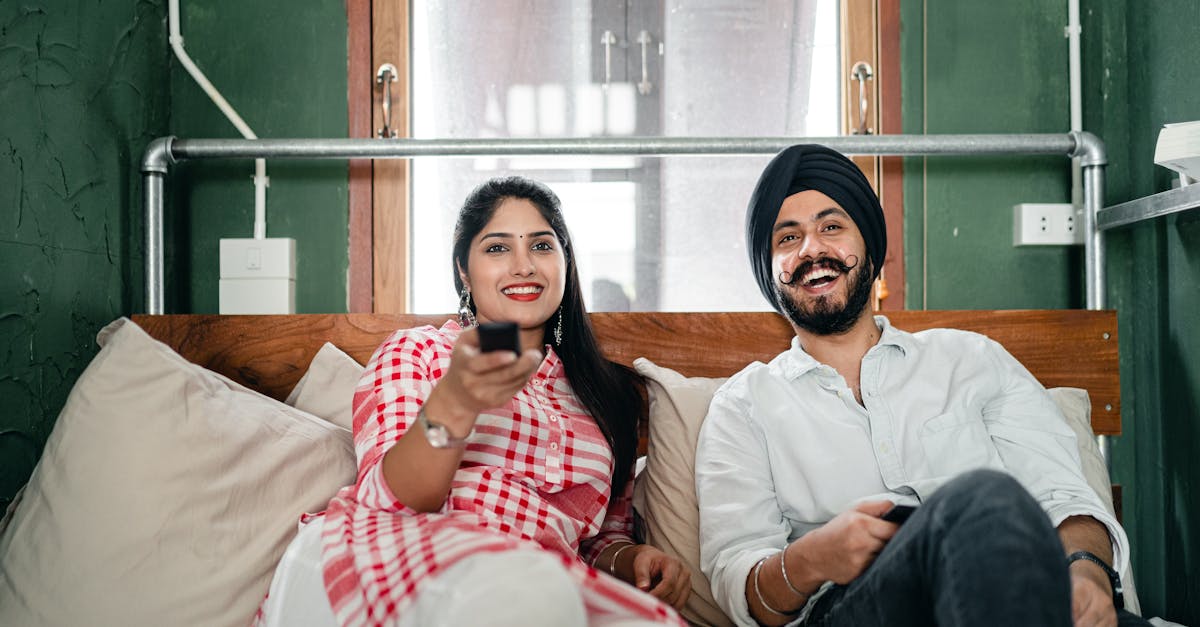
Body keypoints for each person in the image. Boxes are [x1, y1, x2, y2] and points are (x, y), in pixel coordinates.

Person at [694, 145, 1149, 627]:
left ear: (869, 245)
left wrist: (1088, 575)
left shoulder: (971, 361)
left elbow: (1064, 498)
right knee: (980, 497)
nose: (811, 249)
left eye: (831, 227)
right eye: (787, 238)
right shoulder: (742, 408)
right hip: (852, 611)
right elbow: (740, 588)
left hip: (1020, 594)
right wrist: (813, 558)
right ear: (770, 272)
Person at [260, 176, 689, 627]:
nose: (524, 266)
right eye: (498, 248)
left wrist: (634, 559)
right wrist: (456, 401)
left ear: (566, 263)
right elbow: (391, 500)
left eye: (542, 246)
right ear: (464, 270)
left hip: (536, 582)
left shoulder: (606, 394)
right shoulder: (418, 353)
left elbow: (597, 540)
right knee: (529, 593)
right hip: (384, 552)